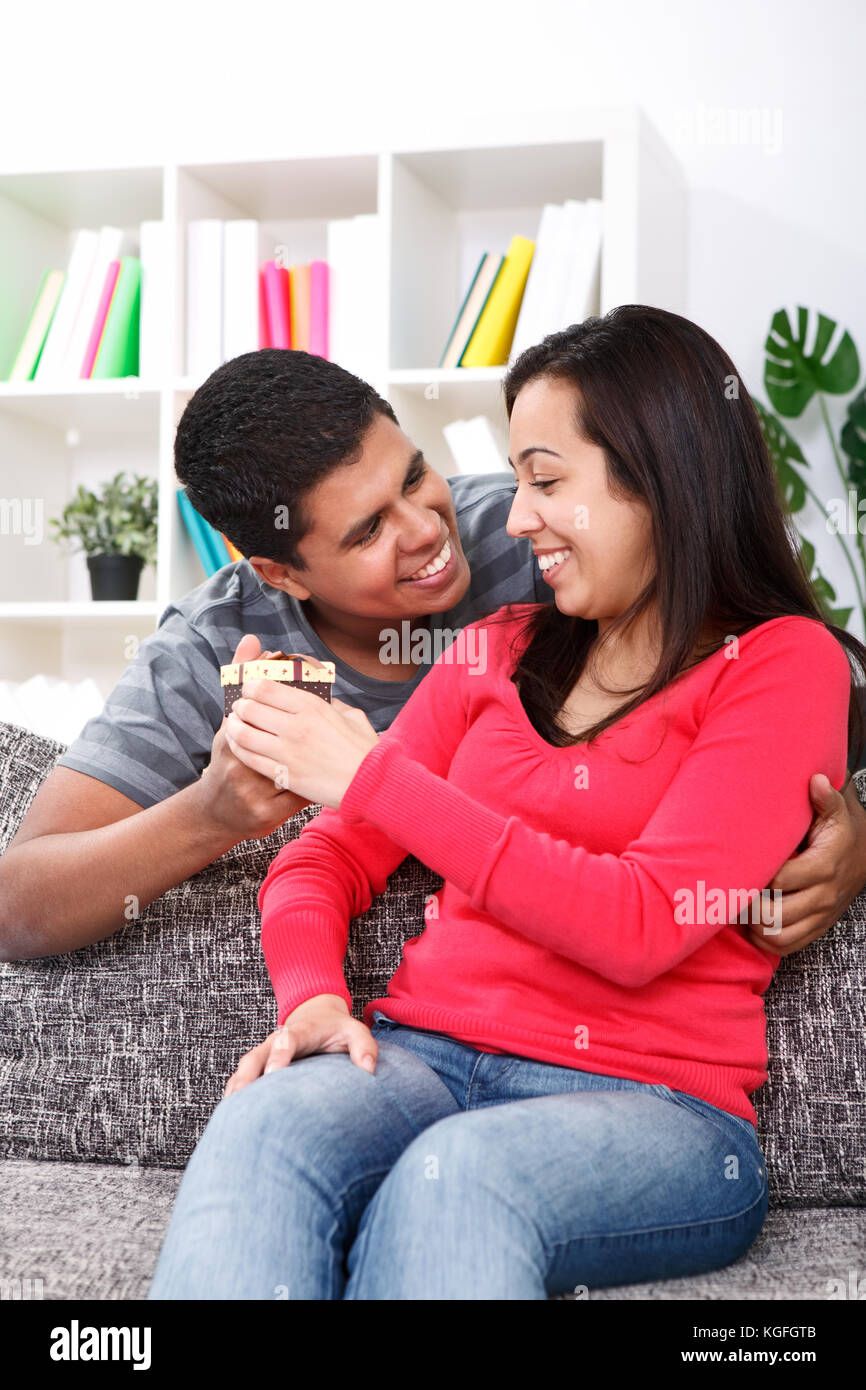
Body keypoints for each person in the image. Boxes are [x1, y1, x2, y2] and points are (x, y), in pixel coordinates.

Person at [147, 306, 866, 1300]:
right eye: (517, 480)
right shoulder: (497, 647)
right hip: (422, 1057)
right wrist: (311, 993)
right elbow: (322, 859)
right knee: (266, 1120)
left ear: (659, 478)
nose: (515, 516)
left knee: (456, 1183)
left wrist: (373, 777)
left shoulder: (780, 663)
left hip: (655, 1105)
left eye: (546, 479)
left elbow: (643, 921)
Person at [2, 350, 863, 961]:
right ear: (277, 571)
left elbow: (797, 668)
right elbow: (17, 905)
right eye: (370, 530)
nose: (426, 532)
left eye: (414, 476)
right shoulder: (207, 649)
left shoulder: (530, 537)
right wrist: (210, 816)